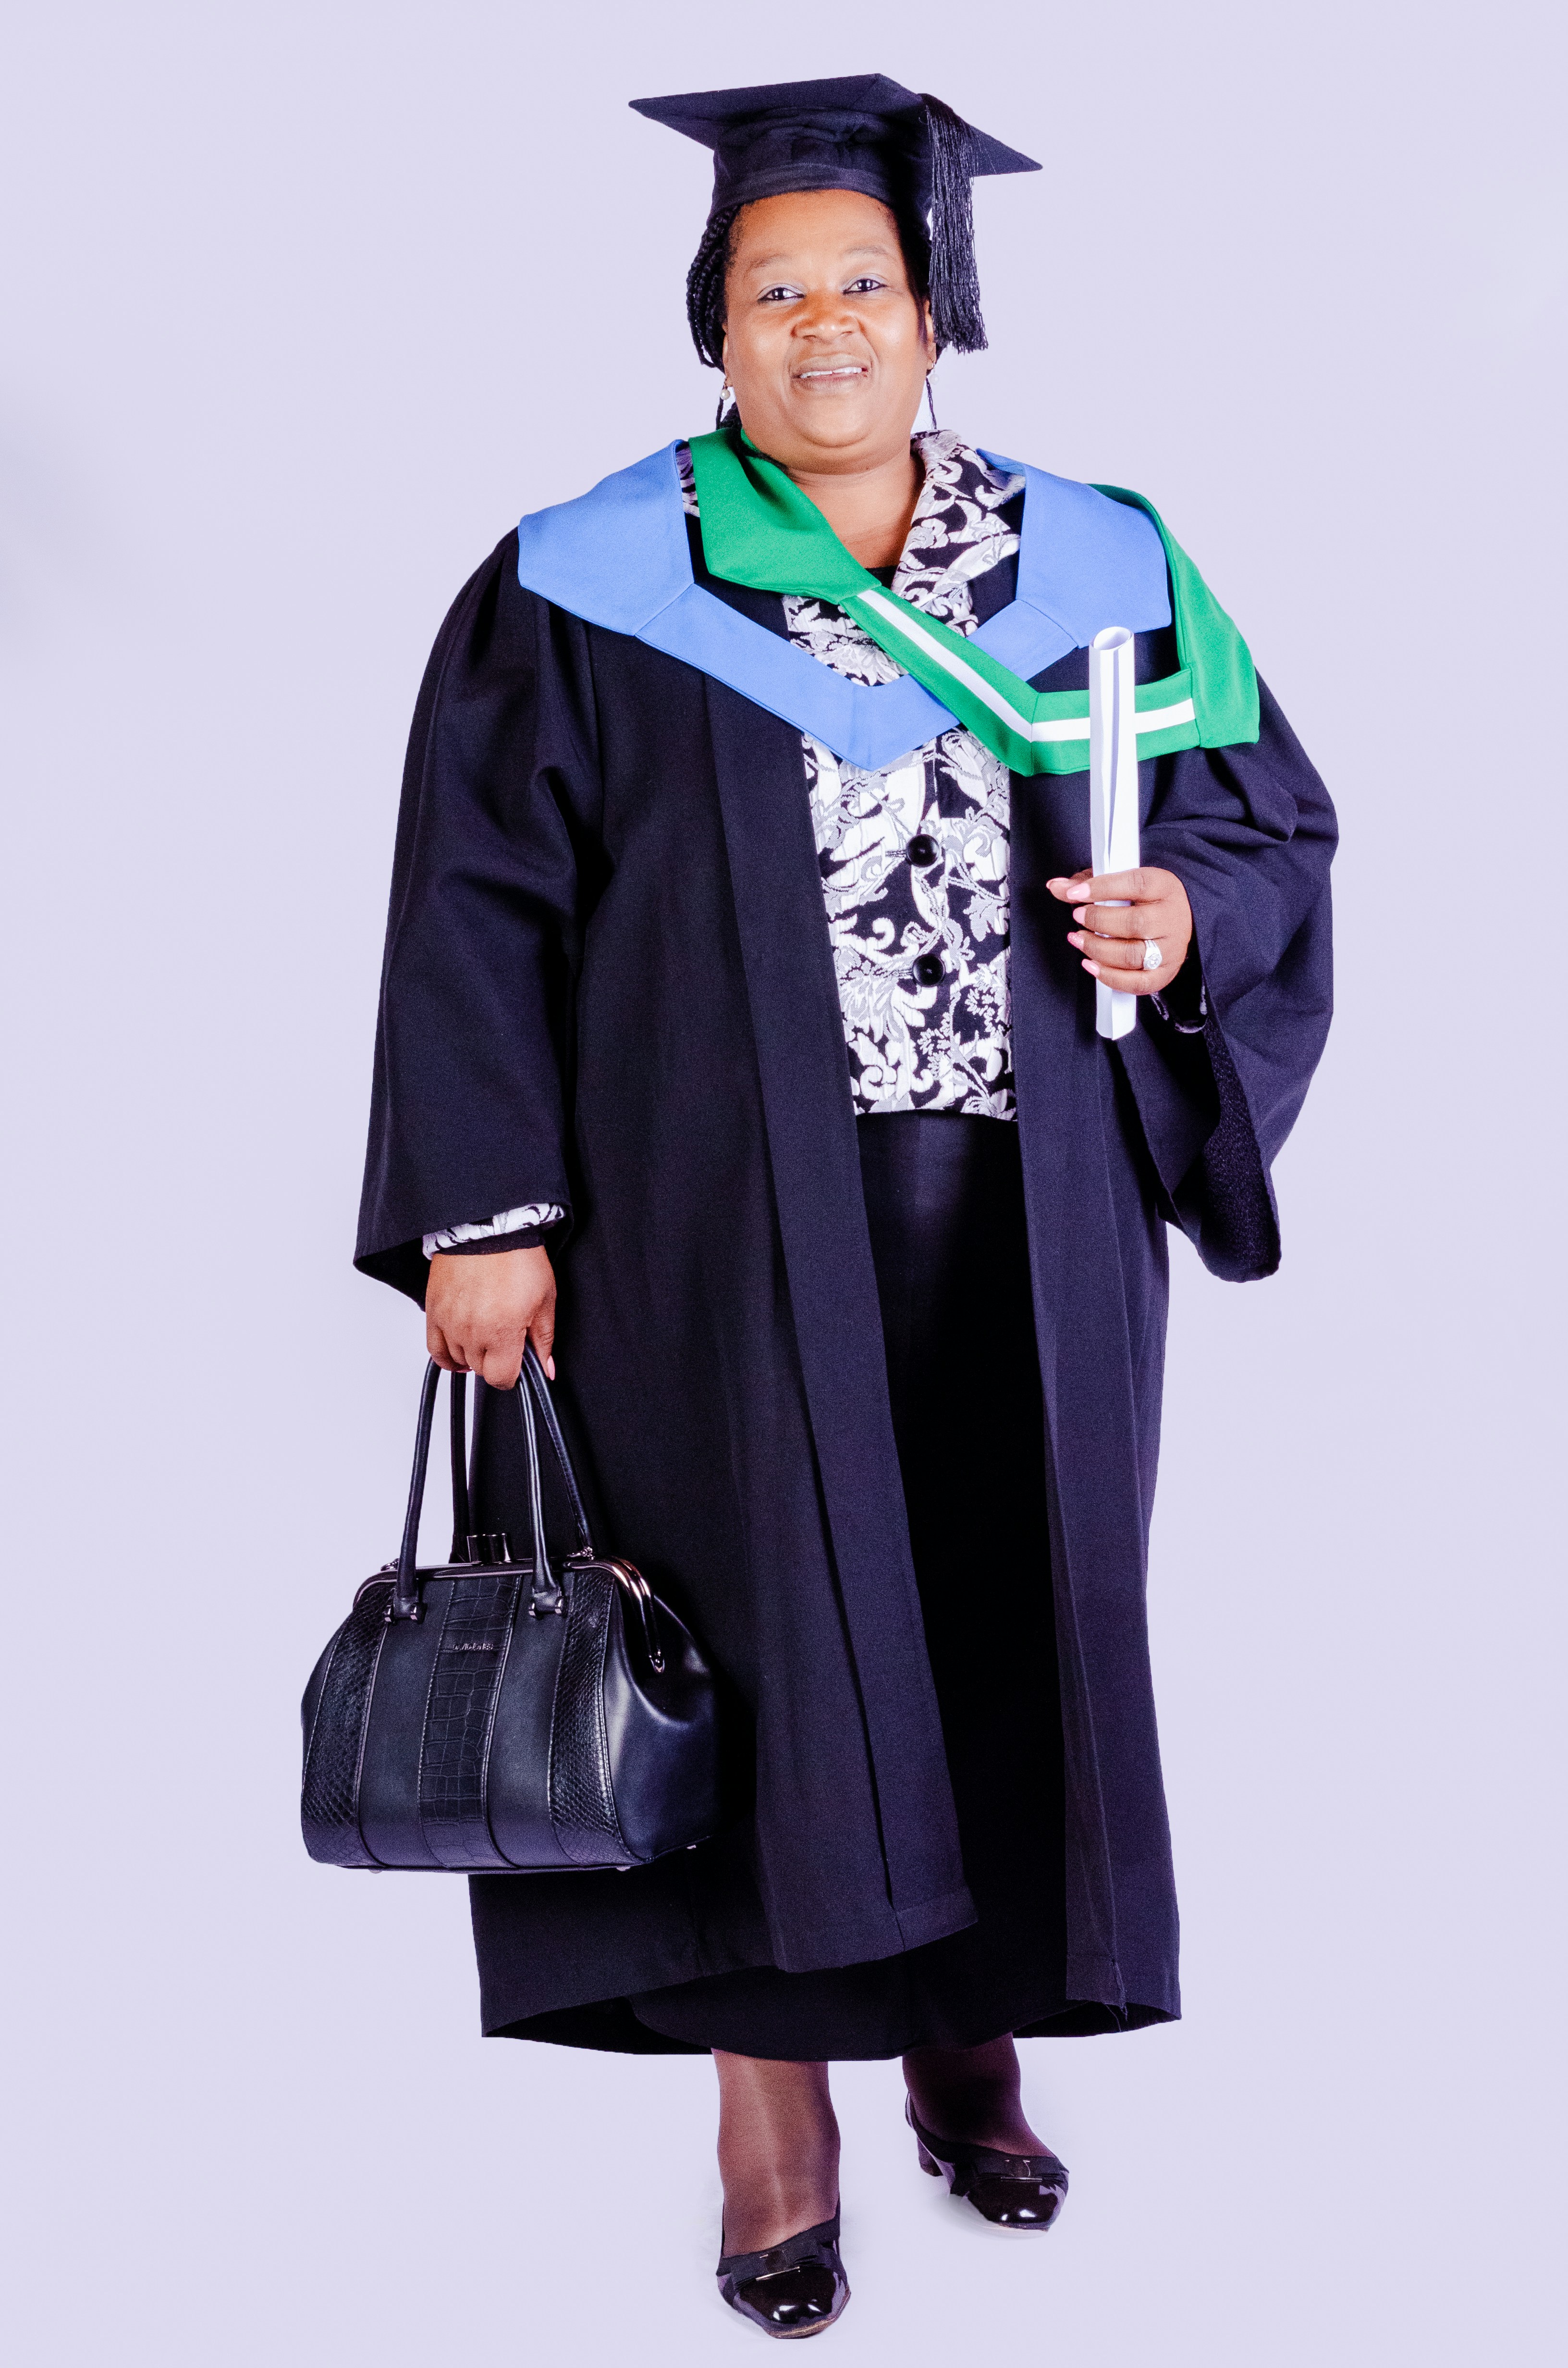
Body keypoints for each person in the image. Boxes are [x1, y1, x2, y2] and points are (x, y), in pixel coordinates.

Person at [354, 73, 1335, 2341]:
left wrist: (1188, 912)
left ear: (935, 309)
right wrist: (485, 1210)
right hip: (703, 1224)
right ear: (716, 322)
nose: (824, 325)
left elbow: (1264, 820)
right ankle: (771, 2107)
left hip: (1031, 1212)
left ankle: (971, 2034)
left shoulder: (1100, 563)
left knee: (1005, 1614)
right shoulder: (597, 574)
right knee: (766, 1655)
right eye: (774, 289)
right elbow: (474, 906)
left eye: (863, 284)